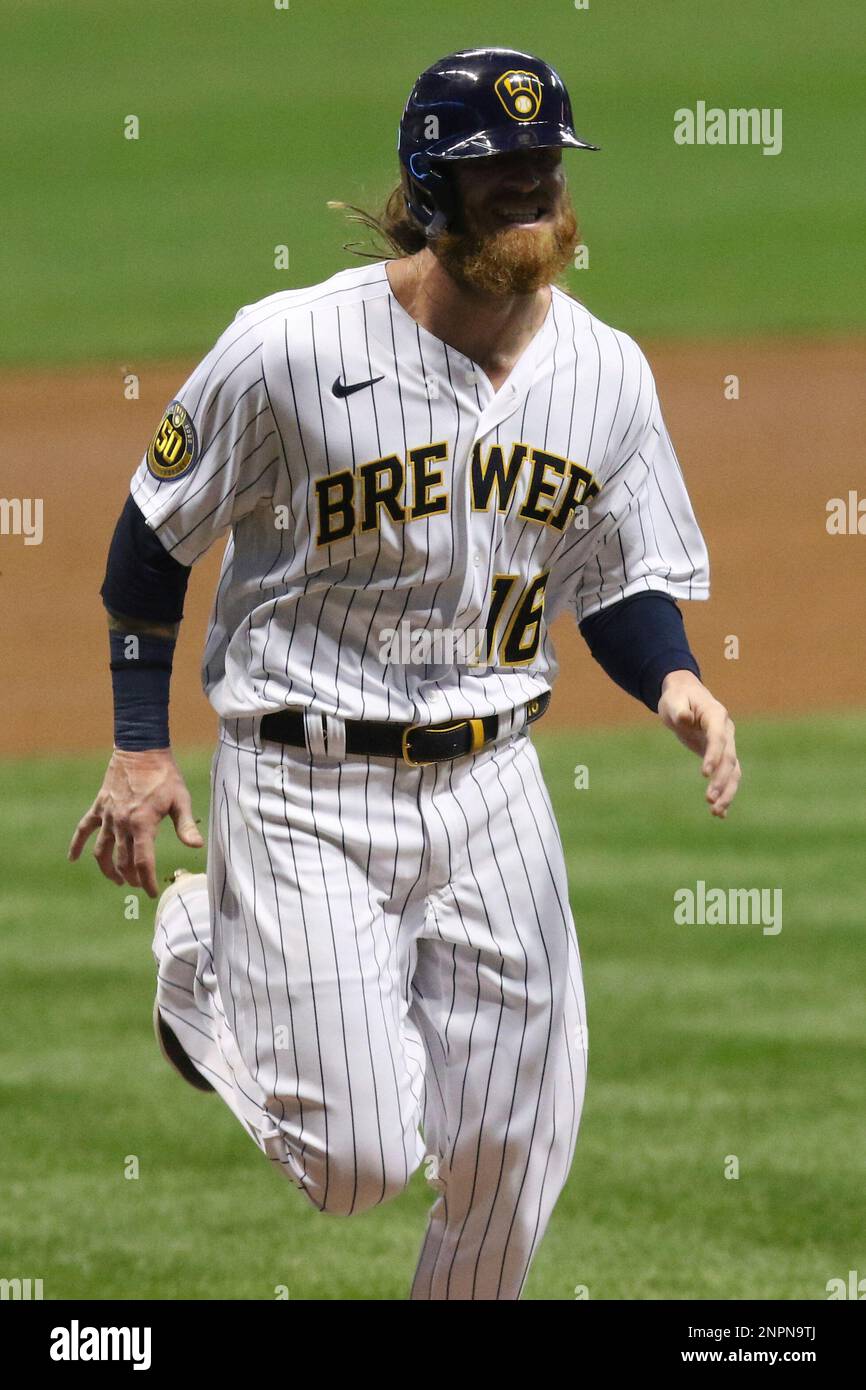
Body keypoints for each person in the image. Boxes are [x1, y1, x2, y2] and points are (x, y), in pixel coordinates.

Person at [68, 47, 741, 1300]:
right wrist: (137, 744)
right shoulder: (288, 349)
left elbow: (612, 567)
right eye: (502, 171)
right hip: (303, 780)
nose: (534, 190)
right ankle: (197, 965)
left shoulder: (604, 373)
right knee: (357, 1164)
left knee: (511, 1148)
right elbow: (151, 538)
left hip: (493, 786)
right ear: (430, 183)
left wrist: (673, 679)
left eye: (546, 167)